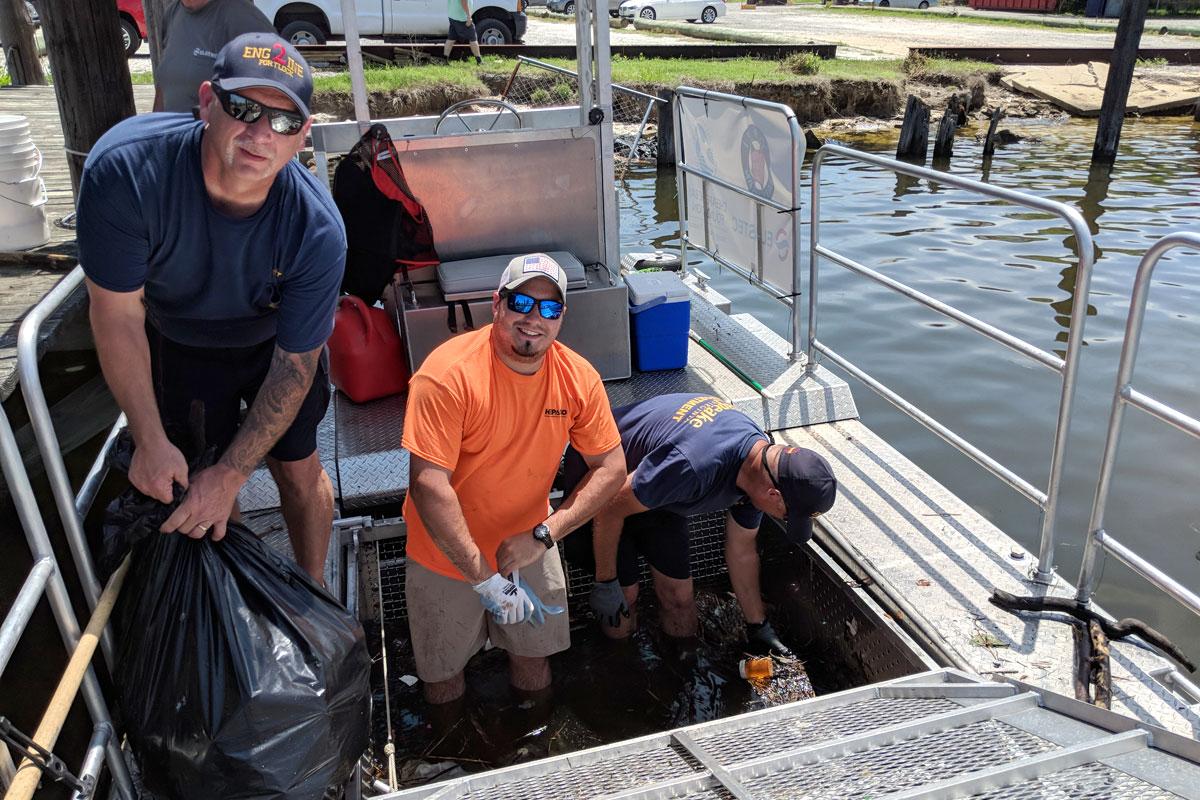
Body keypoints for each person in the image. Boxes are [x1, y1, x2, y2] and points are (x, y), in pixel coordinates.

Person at [77, 34, 346, 583]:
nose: (259, 134)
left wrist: (235, 470)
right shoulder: (126, 174)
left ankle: (314, 593)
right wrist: (149, 440)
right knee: (200, 481)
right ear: (205, 101)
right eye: (242, 108)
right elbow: (116, 314)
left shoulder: (317, 230)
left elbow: (296, 365)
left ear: (303, 137)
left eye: (282, 121)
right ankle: (237, 596)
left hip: (274, 341)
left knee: (297, 468)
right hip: (178, 336)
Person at [402, 253, 626, 706]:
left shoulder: (578, 377)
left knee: (534, 659)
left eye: (549, 308)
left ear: (562, 316)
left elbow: (612, 468)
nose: (533, 319)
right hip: (443, 553)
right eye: (522, 302)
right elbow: (428, 484)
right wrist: (483, 578)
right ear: (496, 305)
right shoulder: (447, 375)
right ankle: (452, 756)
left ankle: (531, 746)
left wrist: (544, 535)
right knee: (442, 678)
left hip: (528, 544)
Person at [563, 393, 837, 655]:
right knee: (625, 598)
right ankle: (622, 664)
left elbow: (742, 550)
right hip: (601, 485)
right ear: (773, 495)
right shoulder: (695, 465)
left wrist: (758, 625)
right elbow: (611, 507)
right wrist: (606, 580)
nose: (784, 520)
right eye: (787, 515)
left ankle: (681, 665)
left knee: (680, 598)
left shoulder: (760, 470)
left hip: (657, 490)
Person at [153, 0, 275, 113]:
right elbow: (165, 84)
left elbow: (270, 99)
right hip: (173, 134)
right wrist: (153, 127)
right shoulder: (173, 13)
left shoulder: (244, 20)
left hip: (213, 134)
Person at [443, 0, 483, 64]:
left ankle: (444, 60)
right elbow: (464, 1)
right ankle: (479, 61)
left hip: (453, 16)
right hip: (462, 18)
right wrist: (469, 17)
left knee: (451, 38)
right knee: (473, 38)